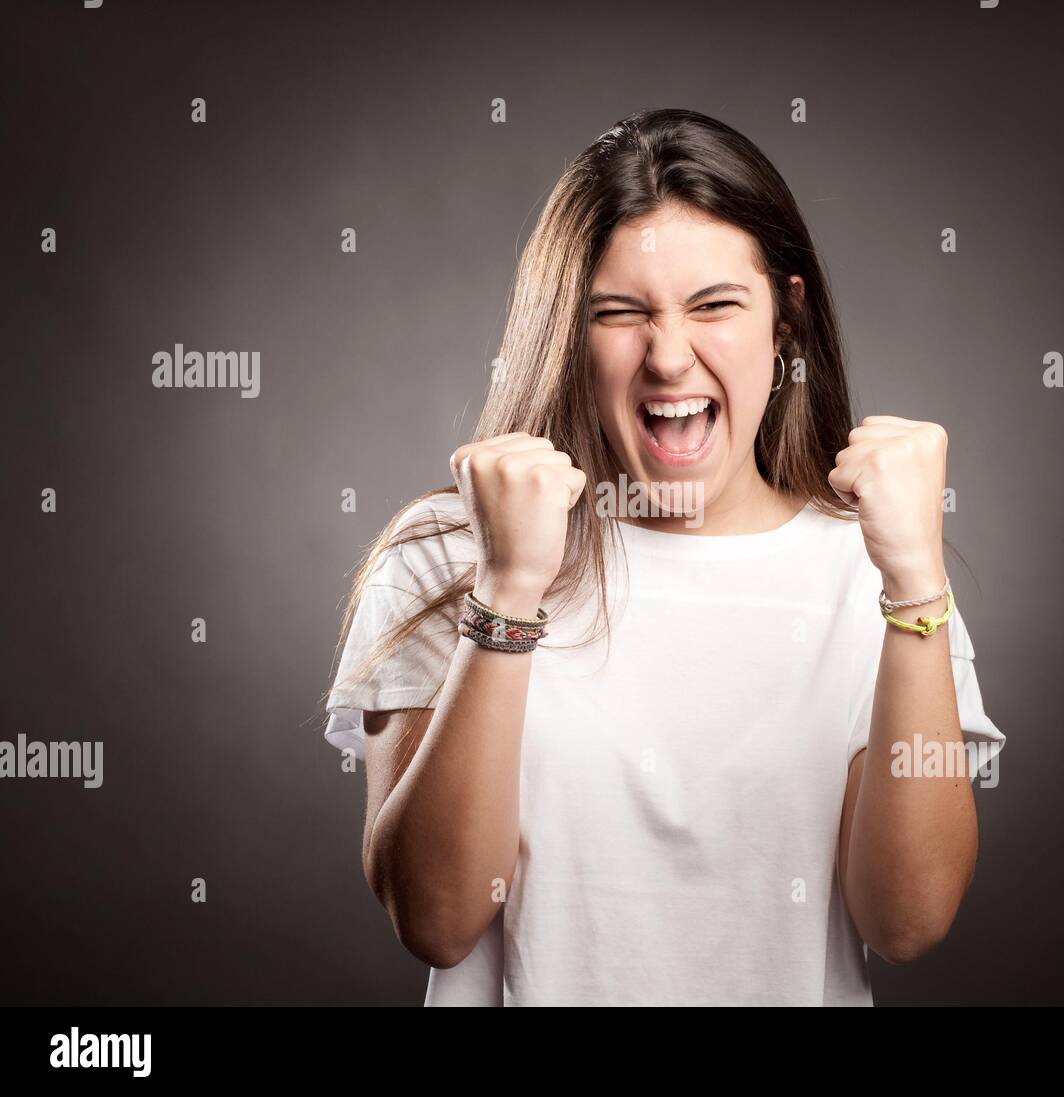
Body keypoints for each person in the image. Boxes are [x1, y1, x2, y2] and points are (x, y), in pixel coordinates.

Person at [322, 108, 1006, 1006]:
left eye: (716, 304)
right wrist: (509, 590)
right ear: (571, 333)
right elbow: (438, 917)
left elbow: (907, 920)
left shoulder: (874, 573)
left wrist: (916, 586)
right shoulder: (448, 556)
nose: (670, 357)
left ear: (786, 320)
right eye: (621, 313)